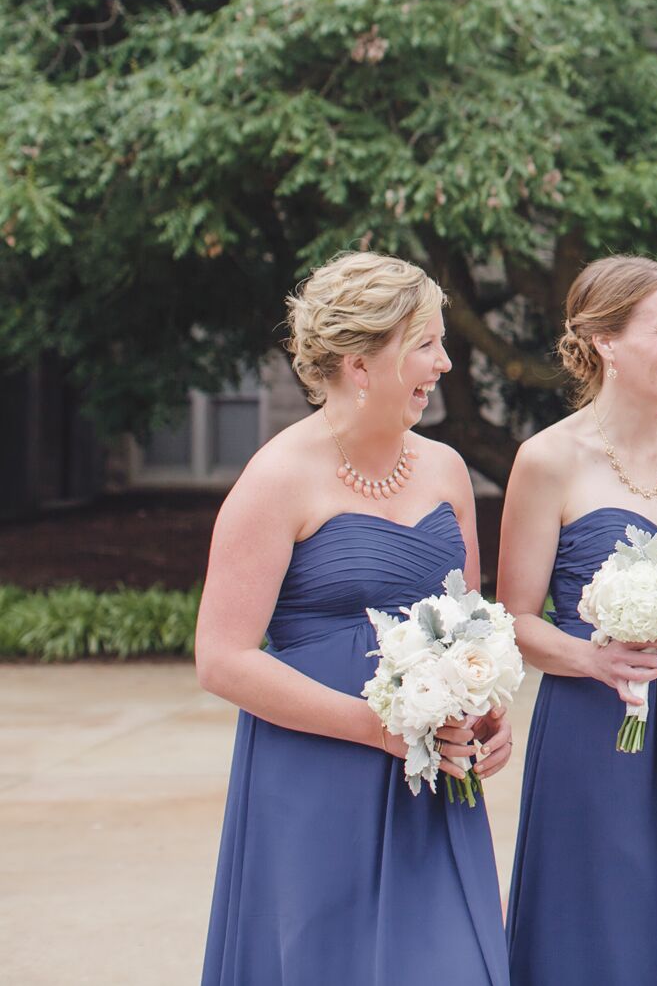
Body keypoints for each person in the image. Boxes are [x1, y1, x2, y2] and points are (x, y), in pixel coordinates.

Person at [197, 251, 509, 985]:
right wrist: (377, 727)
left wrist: (488, 705)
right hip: (318, 778)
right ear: (361, 363)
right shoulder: (276, 478)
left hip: (433, 782)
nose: (446, 364)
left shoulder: (445, 469)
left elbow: (471, 621)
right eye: (426, 344)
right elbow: (221, 657)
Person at [499, 256, 657, 985]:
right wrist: (592, 659)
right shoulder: (548, 459)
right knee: (603, 915)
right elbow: (512, 617)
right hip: (594, 719)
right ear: (605, 340)